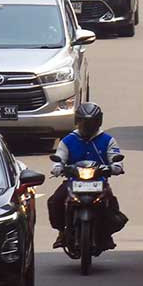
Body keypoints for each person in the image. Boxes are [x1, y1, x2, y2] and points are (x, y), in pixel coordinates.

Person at [48, 103, 127, 252]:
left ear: (99, 122)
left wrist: (115, 167)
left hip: (99, 182)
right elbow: (60, 157)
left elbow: (116, 158)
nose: (87, 125)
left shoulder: (107, 140)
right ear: (78, 121)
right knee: (55, 200)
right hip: (74, 182)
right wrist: (58, 168)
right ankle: (61, 231)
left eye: (91, 122)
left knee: (110, 204)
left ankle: (106, 234)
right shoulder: (68, 140)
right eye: (84, 122)